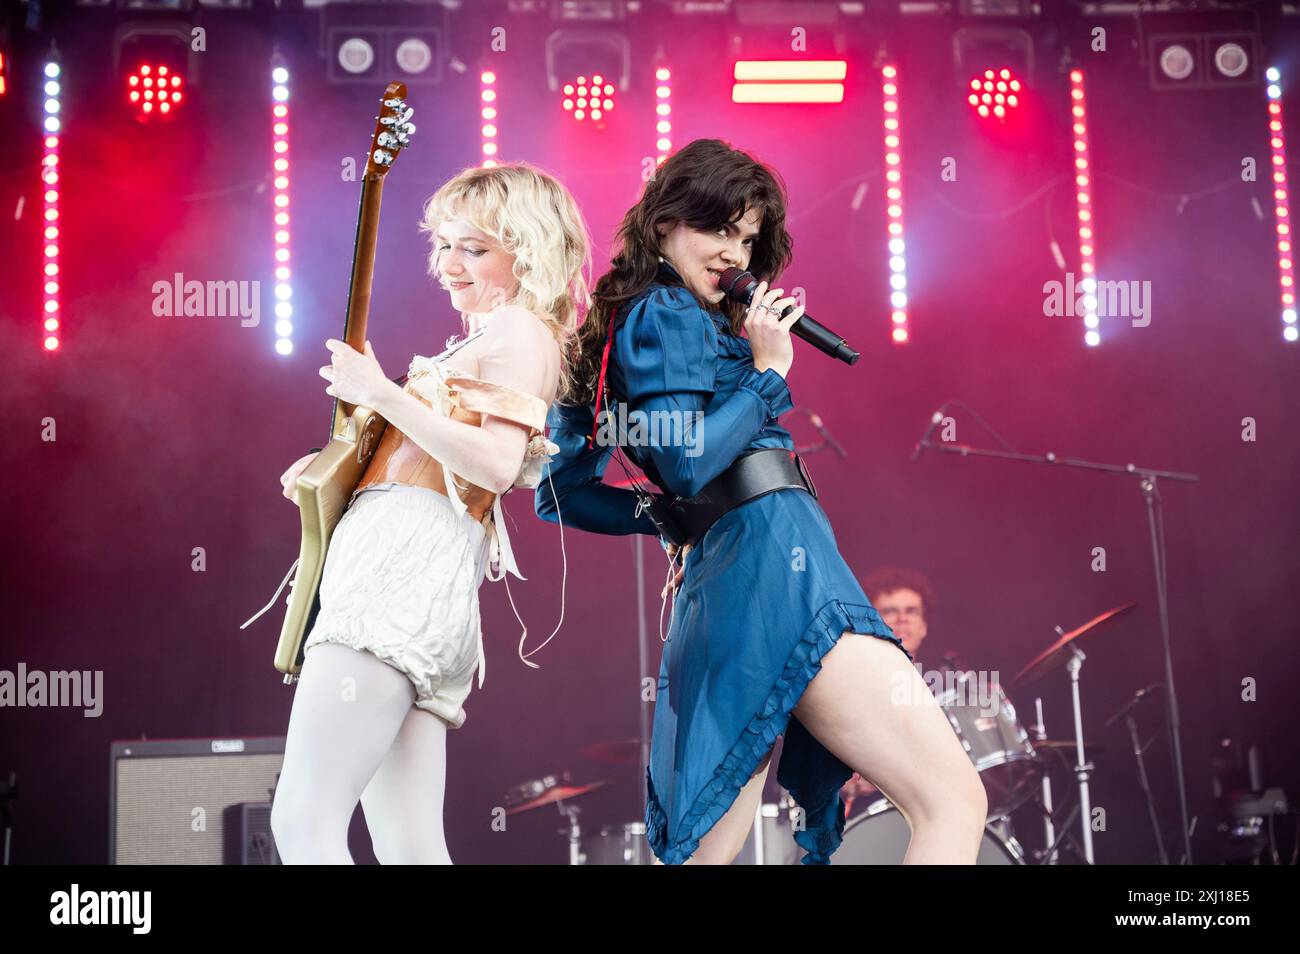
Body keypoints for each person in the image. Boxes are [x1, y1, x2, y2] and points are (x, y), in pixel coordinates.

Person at [535, 138, 987, 864]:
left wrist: (675, 523)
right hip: (780, 572)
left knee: (710, 854)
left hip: (736, 577)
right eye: (718, 229)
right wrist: (770, 373)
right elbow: (684, 460)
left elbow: (560, 492)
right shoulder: (669, 314)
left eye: (747, 238)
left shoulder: (628, 321)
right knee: (953, 801)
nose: (733, 253)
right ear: (662, 226)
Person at [267, 162, 589, 863]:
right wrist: (334, 473)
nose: (448, 265)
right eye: (443, 245)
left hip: (398, 581)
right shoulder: (495, 338)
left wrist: (381, 393)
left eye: (474, 248)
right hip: (422, 587)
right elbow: (438, 460)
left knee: (304, 820)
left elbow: (497, 464)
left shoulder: (516, 331)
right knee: (409, 845)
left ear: (526, 250)